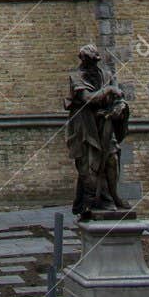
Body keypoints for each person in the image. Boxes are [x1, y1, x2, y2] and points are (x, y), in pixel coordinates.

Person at [64, 43, 131, 219]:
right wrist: (109, 89)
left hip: (105, 126)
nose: (92, 64)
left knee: (112, 159)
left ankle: (113, 195)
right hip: (85, 128)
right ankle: (90, 202)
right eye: (88, 61)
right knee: (88, 166)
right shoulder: (76, 77)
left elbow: (119, 97)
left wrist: (120, 106)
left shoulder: (106, 75)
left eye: (94, 61)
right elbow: (87, 99)